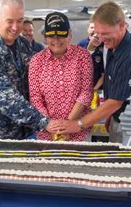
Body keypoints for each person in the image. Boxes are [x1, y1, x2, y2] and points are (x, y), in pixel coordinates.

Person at [57, 2, 131, 144]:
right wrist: (111, 116)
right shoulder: (113, 45)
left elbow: (116, 102)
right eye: (98, 33)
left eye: (105, 33)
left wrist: (78, 124)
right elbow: (113, 84)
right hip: (120, 119)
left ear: (122, 25)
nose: (101, 38)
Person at [0, 0, 59, 139]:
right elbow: (6, 98)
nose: (15, 27)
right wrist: (44, 122)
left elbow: (36, 81)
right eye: (9, 21)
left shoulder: (23, 44)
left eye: (20, 21)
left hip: (22, 130)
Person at [28, 12, 93, 141]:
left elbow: (86, 93)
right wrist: (49, 125)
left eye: (61, 35)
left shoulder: (83, 57)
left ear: (69, 34)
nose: (56, 40)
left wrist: (68, 124)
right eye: (51, 36)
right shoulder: (36, 61)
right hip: (47, 133)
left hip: (77, 130)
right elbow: (35, 98)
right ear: (45, 37)